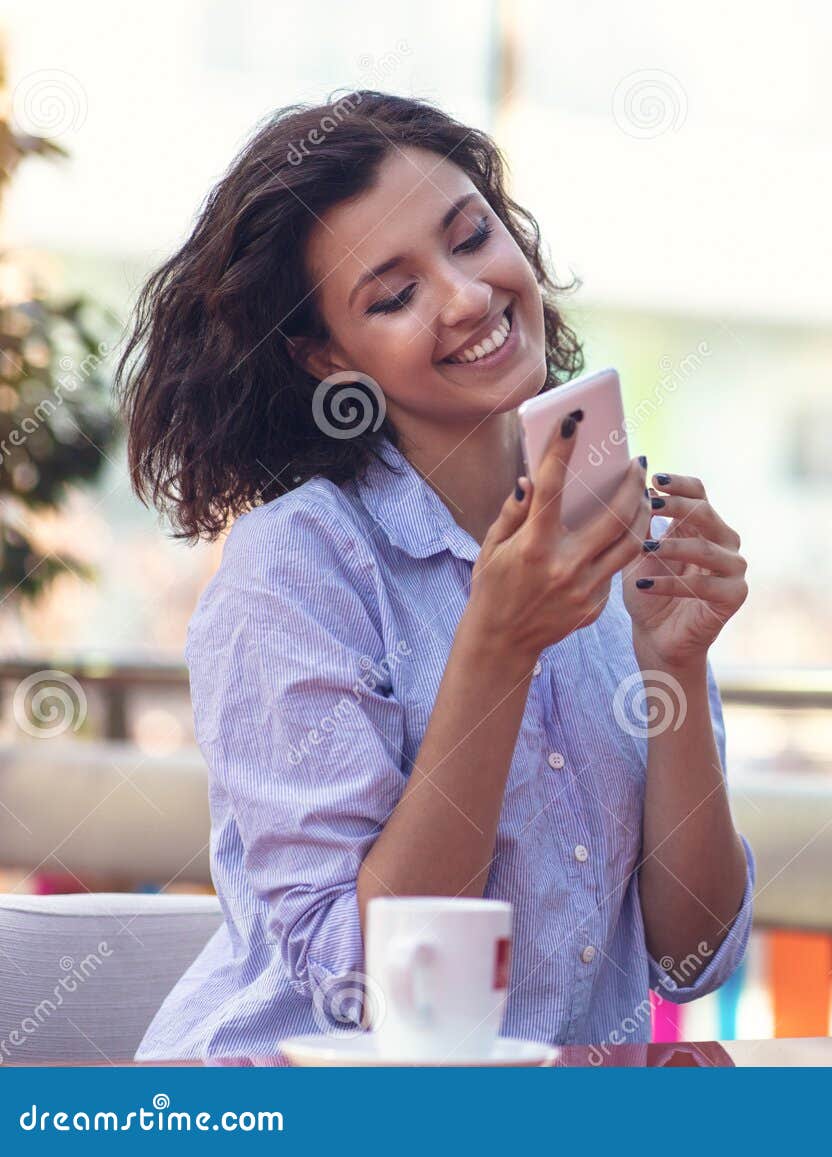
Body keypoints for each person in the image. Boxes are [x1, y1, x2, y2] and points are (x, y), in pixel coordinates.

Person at [116, 90, 754, 1058]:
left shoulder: (608, 536)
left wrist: (672, 665)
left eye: (470, 237)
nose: (464, 296)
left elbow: (691, 955)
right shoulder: (295, 569)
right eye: (394, 295)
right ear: (329, 356)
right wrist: (496, 647)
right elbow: (365, 983)